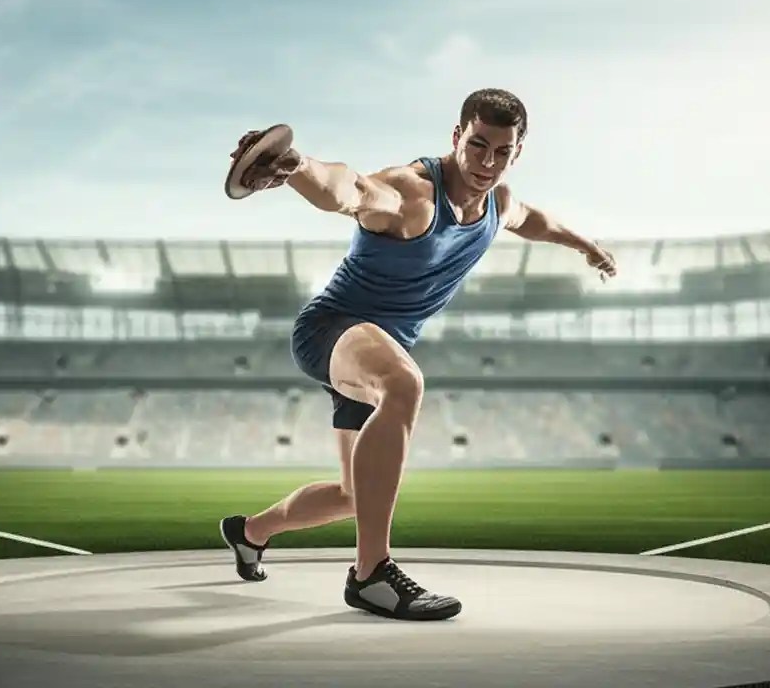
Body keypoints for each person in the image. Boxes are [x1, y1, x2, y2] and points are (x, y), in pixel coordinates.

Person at [219, 88, 617, 621]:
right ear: (457, 137)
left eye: (502, 152)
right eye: (477, 146)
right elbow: (353, 189)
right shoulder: (412, 194)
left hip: (373, 350)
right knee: (404, 384)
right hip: (330, 330)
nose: (487, 162)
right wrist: (296, 166)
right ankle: (371, 575)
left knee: (354, 495)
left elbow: (533, 221)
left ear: (516, 153)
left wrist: (586, 246)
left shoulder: (498, 202)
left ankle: (249, 532)